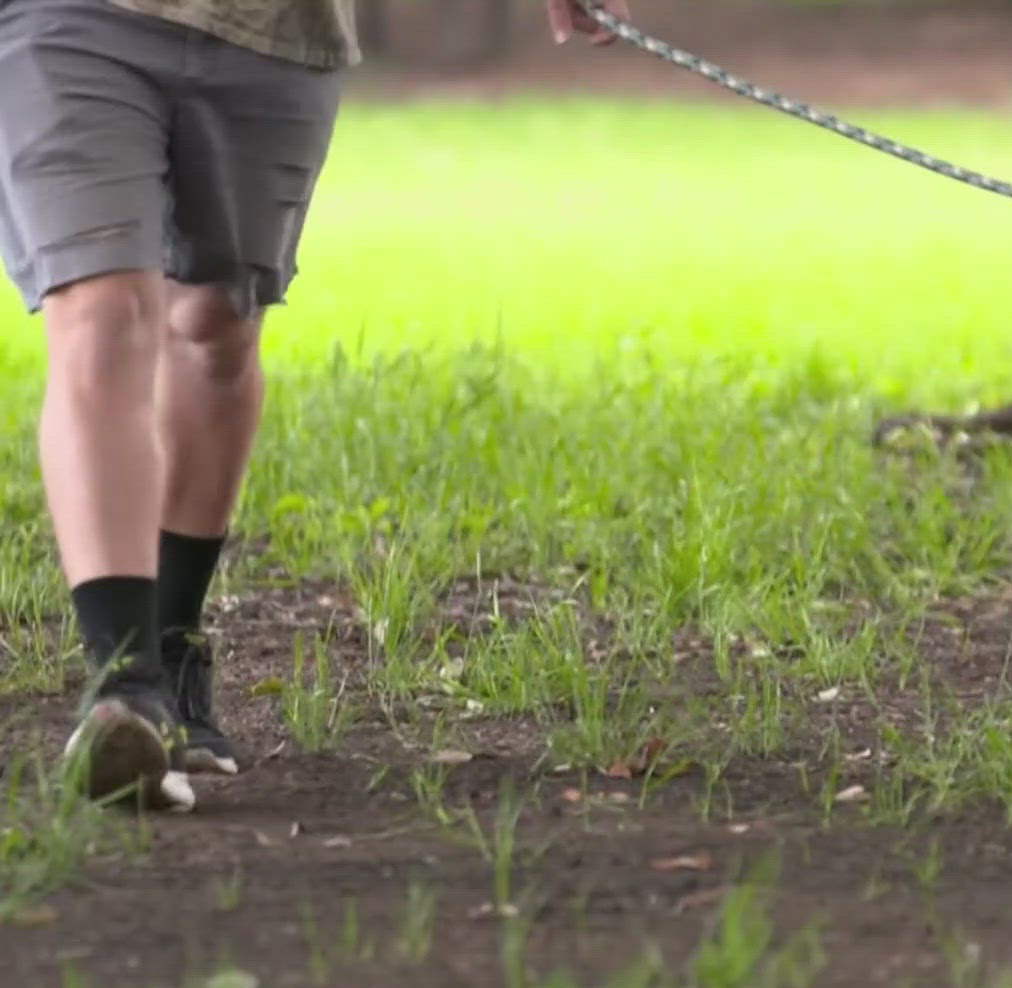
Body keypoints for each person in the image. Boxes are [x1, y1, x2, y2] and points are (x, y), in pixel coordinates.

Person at [0, 0, 631, 812]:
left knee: (215, 326)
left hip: (276, 33)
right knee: (101, 310)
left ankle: (171, 650)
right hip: (71, 19)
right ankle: (123, 684)